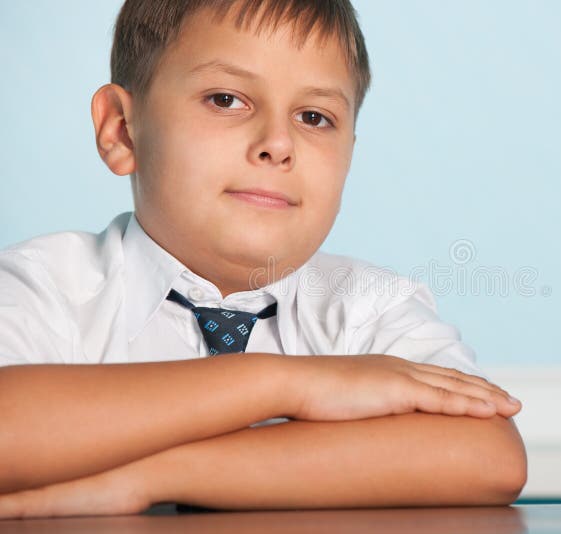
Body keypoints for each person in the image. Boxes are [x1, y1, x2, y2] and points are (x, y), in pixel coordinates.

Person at [0, 0, 526, 519]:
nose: (278, 143)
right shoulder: (46, 287)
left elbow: (489, 456)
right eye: (226, 99)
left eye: (314, 117)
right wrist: (288, 384)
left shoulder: (368, 308)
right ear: (120, 128)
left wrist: (150, 478)